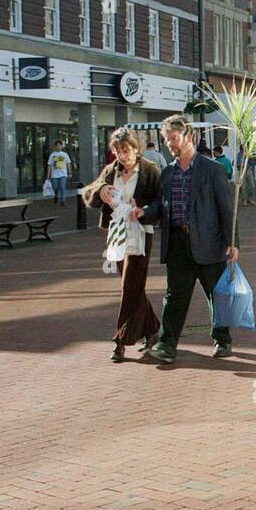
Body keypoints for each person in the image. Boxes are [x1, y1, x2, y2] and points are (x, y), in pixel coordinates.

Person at [138, 114, 238, 362]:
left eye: (174, 138)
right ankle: (166, 345)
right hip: (178, 245)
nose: (170, 144)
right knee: (174, 297)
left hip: (210, 243)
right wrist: (144, 213)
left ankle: (222, 340)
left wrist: (233, 242)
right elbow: (161, 207)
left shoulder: (212, 170)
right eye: (166, 140)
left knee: (216, 295)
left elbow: (226, 209)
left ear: (189, 137)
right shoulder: (168, 173)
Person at [83, 127, 162, 362]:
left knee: (130, 286)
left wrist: (144, 210)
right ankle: (152, 329)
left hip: (140, 232)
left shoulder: (150, 171)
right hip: (117, 233)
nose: (122, 155)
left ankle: (120, 341)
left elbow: (161, 201)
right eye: (117, 151)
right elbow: (89, 192)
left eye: (125, 150)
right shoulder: (111, 170)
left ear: (136, 148)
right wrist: (101, 189)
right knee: (132, 286)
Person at [45, 140, 72, 206]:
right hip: (54, 175)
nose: (58, 147)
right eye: (57, 146)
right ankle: (56, 194)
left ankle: (62, 201)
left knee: (62, 187)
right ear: (55, 146)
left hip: (63, 174)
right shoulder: (52, 155)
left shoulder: (65, 155)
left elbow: (68, 164)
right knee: (55, 187)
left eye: (60, 146)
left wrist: (70, 172)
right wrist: (48, 176)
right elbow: (49, 165)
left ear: (62, 146)